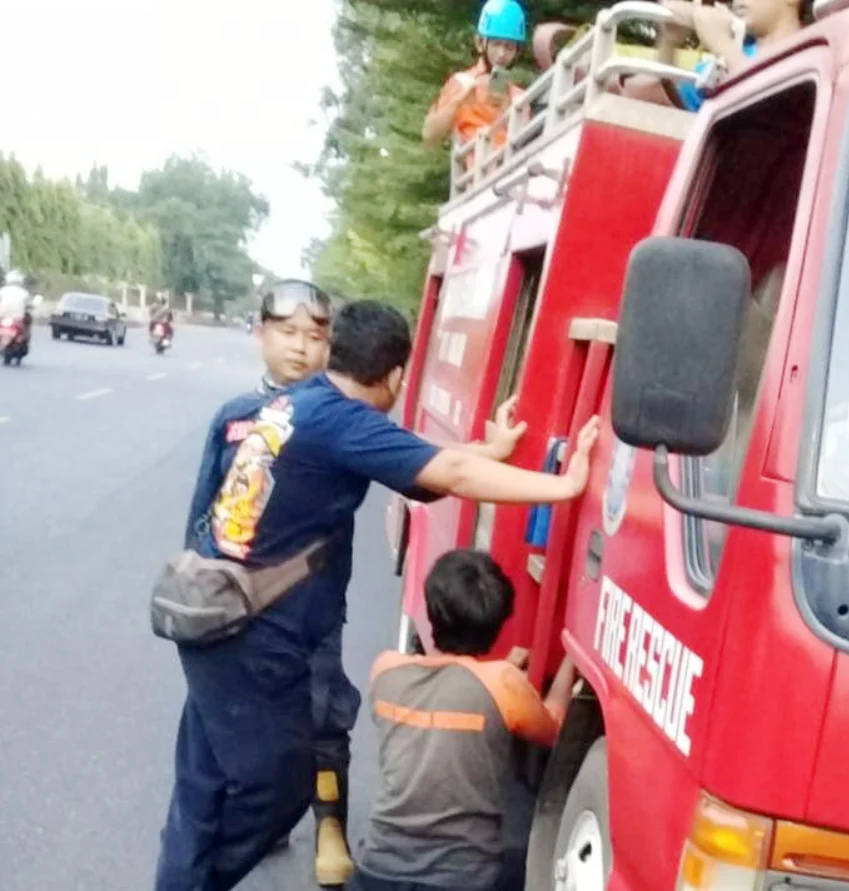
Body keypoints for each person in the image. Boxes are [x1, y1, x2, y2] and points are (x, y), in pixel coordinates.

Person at [155, 299, 600, 891]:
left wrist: (490, 451)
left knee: (202, 788)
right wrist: (566, 484)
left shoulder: (299, 405)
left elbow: (415, 457)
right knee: (278, 790)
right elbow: (454, 477)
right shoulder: (342, 421)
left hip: (214, 616)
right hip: (257, 638)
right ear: (394, 375)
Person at [351, 550, 577, 891]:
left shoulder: (386, 671)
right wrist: (573, 656)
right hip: (463, 880)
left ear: (432, 611)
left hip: (377, 872)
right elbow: (553, 727)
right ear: (498, 624)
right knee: (526, 861)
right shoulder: (502, 684)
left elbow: (447, 696)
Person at [623, 0, 807, 110]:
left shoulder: (815, 49)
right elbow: (653, 102)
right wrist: (669, 42)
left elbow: (774, 113)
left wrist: (721, 43)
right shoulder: (733, 55)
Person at [422, 0, 528, 152]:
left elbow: (525, 143)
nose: (501, 54)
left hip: (507, 166)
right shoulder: (461, 83)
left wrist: (507, 107)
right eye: (496, 44)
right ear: (480, 43)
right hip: (474, 168)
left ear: (517, 52)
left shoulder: (518, 96)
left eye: (509, 47)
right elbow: (430, 136)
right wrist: (460, 100)